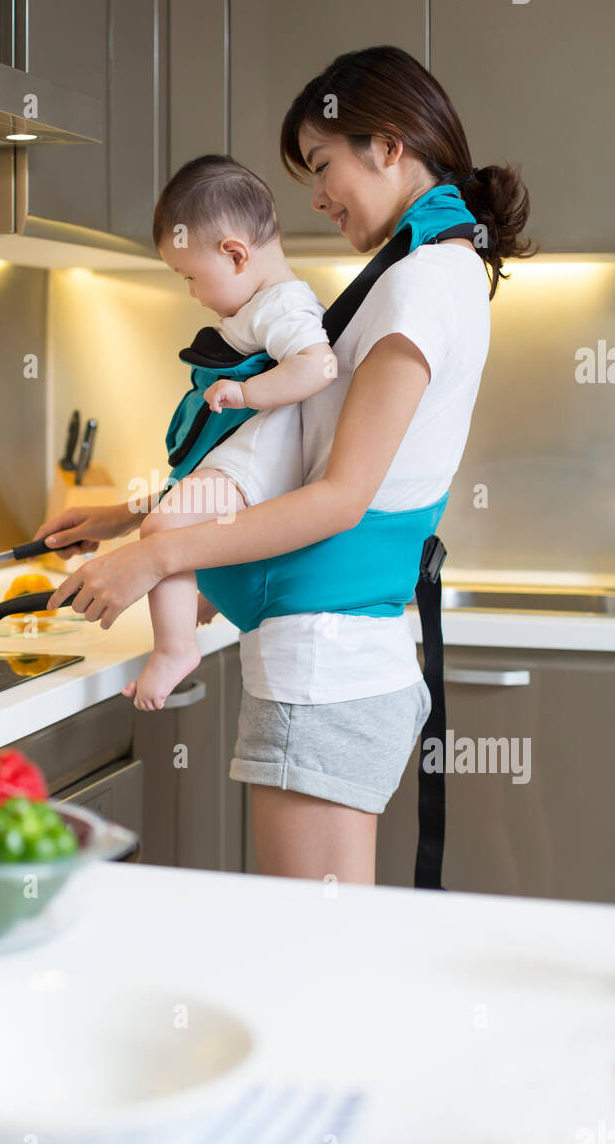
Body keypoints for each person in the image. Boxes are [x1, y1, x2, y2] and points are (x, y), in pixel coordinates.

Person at [34, 45, 533, 885]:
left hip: (324, 671)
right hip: (327, 665)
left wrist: (153, 554)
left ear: (388, 144)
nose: (316, 194)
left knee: (317, 964)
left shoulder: (420, 284)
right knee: (325, 957)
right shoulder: (422, 274)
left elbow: (340, 500)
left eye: (323, 163)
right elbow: (288, 453)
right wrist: (131, 516)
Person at [120, 154, 337, 710]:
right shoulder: (266, 305)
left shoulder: (282, 305)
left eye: (190, 276)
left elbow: (317, 366)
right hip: (249, 466)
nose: (191, 292)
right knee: (169, 521)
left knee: (163, 530)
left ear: (235, 253)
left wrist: (245, 392)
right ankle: (192, 610)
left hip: (256, 465)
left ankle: (175, 650)